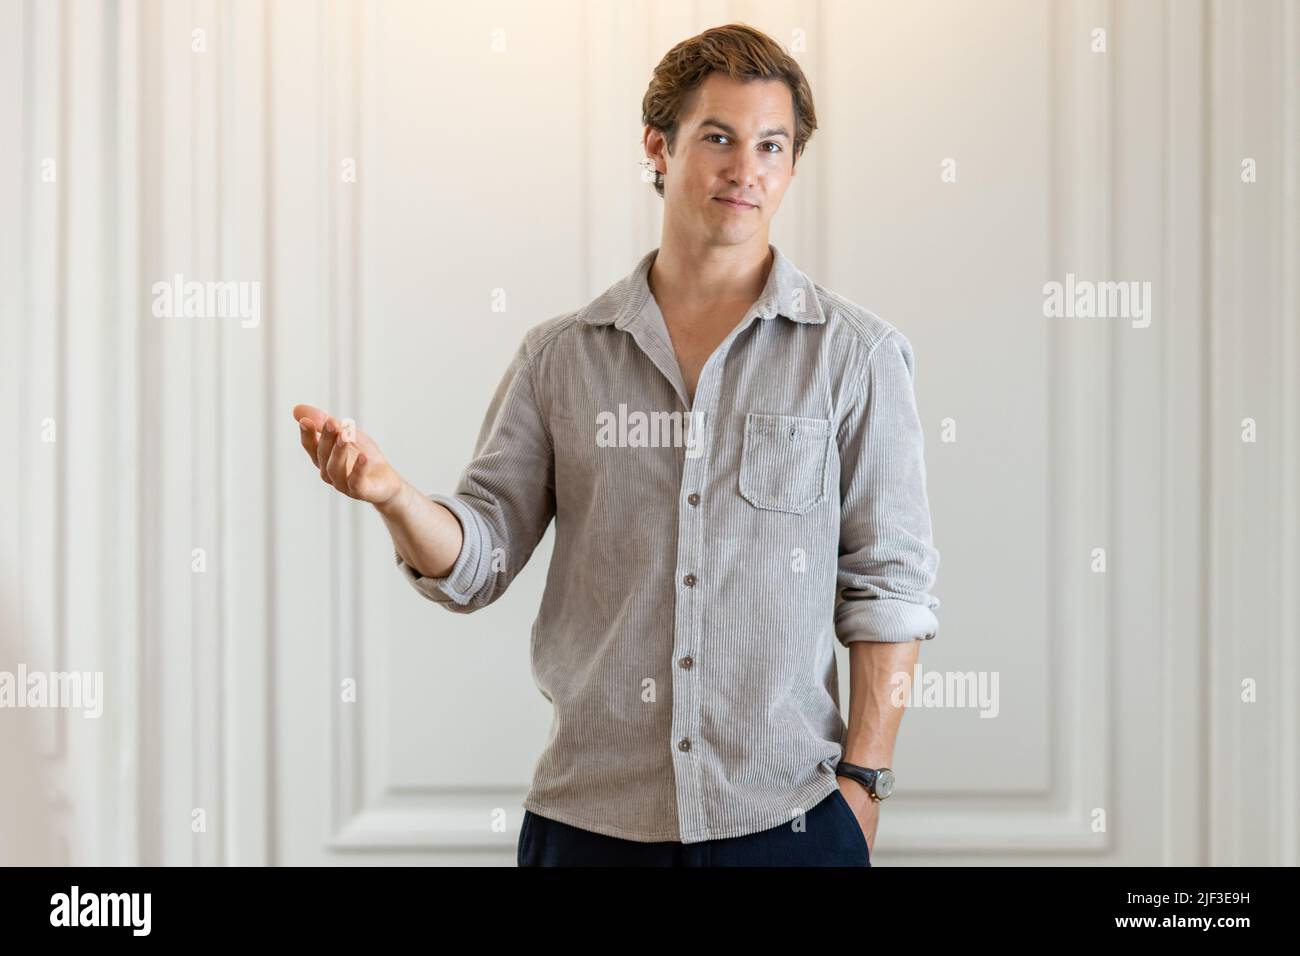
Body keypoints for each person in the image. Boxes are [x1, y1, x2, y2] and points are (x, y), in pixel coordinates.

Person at [292, 22, 939, 867]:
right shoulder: (562, 358)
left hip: (790, 825)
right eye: (718, 137)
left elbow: (889, 586)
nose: (745, 169)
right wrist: (394, 496)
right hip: (589, 830)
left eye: (771, 146)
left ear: (791, 165)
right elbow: (478, 558)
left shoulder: (856, 357)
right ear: (658, 149)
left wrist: (864, 787)